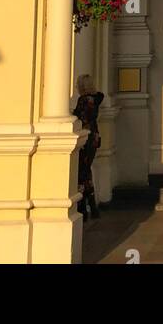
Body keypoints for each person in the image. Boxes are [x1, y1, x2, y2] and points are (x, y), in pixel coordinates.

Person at [73, 74, 104, 221]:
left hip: (85, 139)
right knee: (86, 171)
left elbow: (80, 118)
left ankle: (82, 208)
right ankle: (92, 206)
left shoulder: (84, 100)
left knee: (81, 172)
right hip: (94, 138)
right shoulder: (96, 99)